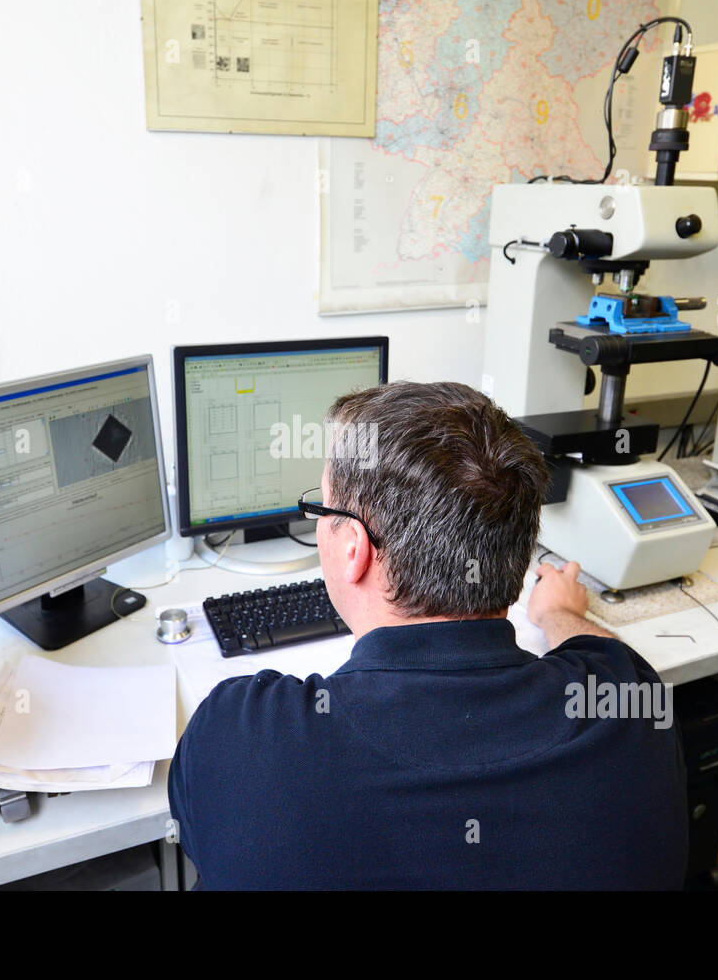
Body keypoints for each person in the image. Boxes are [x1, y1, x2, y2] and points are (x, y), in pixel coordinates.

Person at [168, 381, 687, 889]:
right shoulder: (629, 708)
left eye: (322, 511)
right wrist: (558, 616)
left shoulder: (242, 739)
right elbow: (617, 659)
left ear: (355, 548)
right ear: (518, 547)